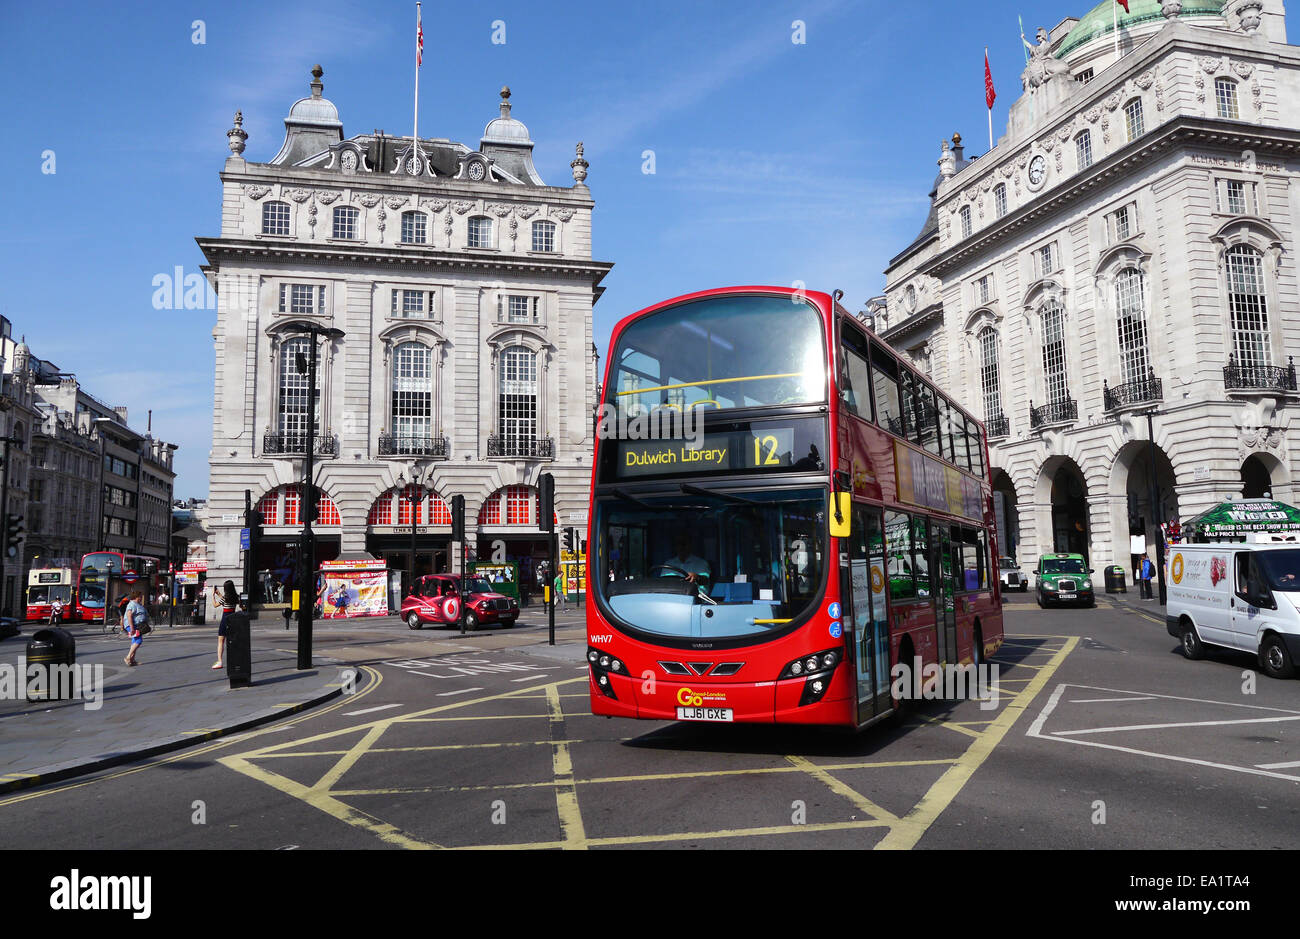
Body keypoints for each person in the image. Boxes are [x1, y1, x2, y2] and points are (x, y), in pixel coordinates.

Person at [213, 580, 239, 670]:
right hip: (233, 619)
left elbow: (215, 605)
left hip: (225, 619)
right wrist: (219, 594)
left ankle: (220, 661)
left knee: (221, 641)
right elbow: (226, 601)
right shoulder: (236, 597)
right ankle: (235, 660)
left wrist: (213, 596)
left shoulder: (225, 598)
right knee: (232, 641)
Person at [123, 590, 148, 666]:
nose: (141, 598)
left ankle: (132, 660)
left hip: (138, 625)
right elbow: (129, 616)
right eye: (140, 597)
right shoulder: (131, 604)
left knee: (135, 642)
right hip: (132, 625)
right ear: (136, 597)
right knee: (139, 640)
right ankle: (128, 657)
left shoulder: (138, 604)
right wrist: (132, 628)